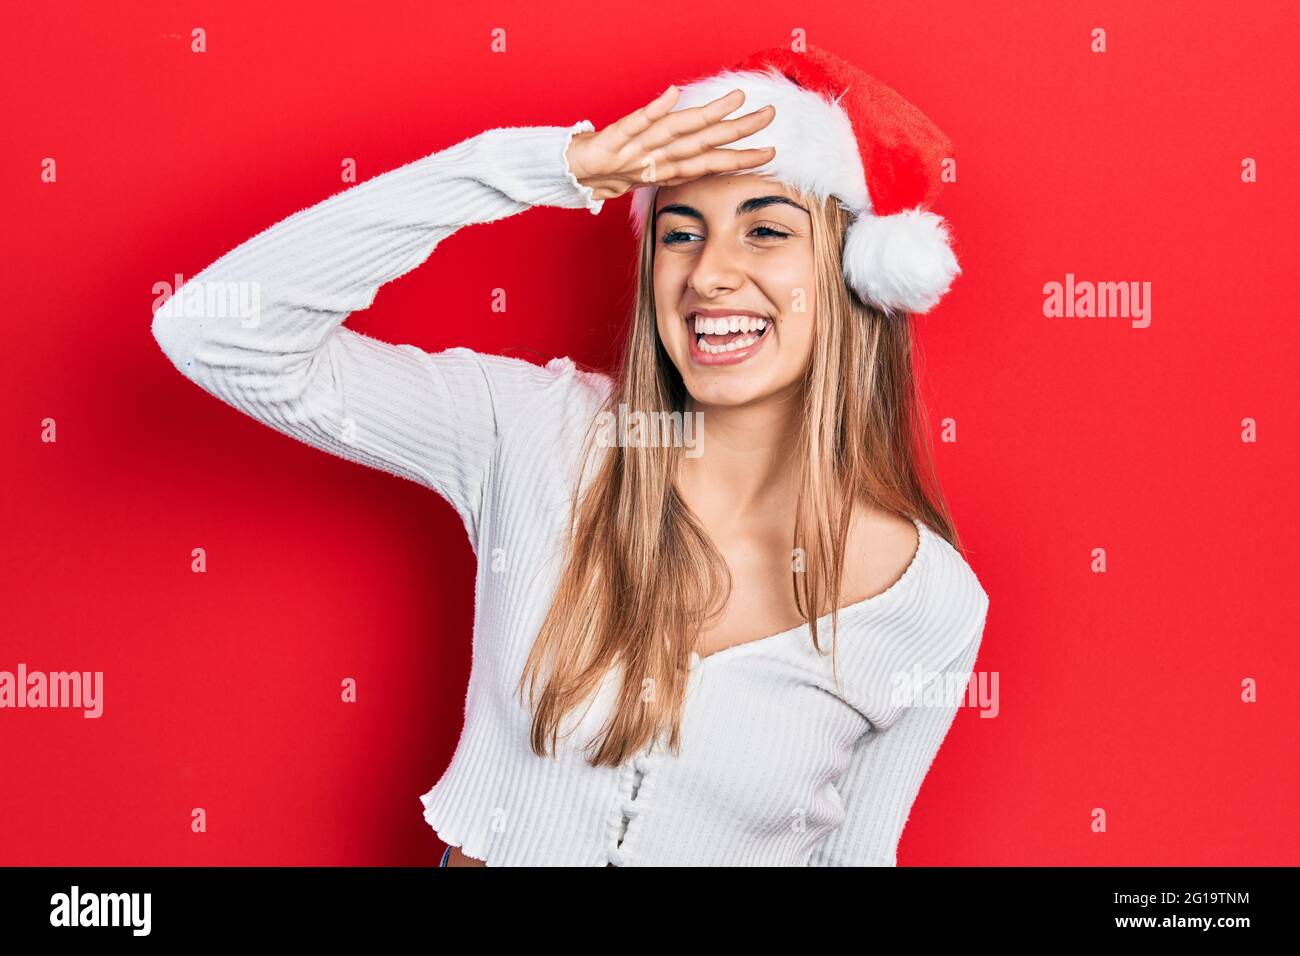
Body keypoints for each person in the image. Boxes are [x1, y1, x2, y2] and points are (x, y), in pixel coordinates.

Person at [151, 43, 990, 867]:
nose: (709, 276)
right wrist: (548, 167)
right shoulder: (531, 431)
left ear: (855, 274)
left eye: (765, 230)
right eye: (679, 233)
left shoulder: (931, 603)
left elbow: (854, 860)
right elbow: (220, 334)